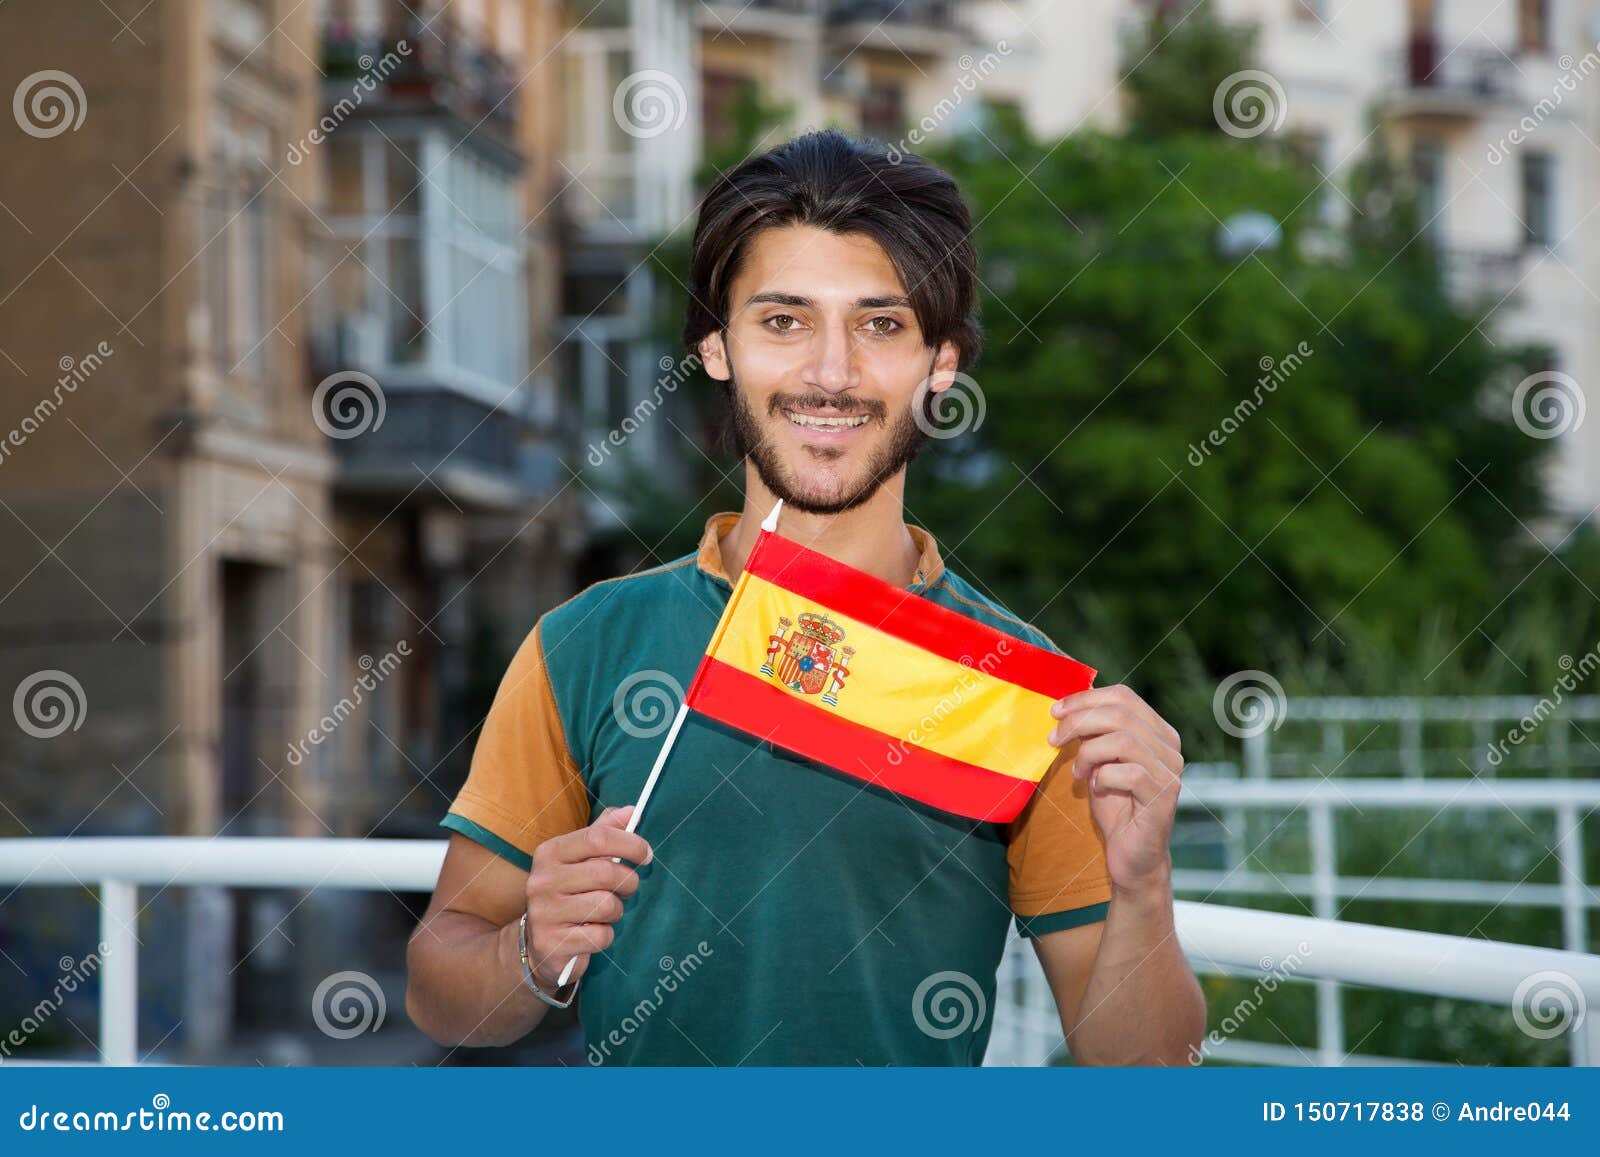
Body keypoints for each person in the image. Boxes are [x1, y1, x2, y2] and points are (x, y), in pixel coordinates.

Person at [406, 129, 1204, 1065]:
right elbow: (439, 993)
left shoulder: (1022, 692)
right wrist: (532, 950)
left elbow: (1144, 1076)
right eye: (783, 321)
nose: (831, 373)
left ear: (942, 362)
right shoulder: (586, 644)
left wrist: (1145, 882)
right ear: (715, 346)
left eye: (881, 324)